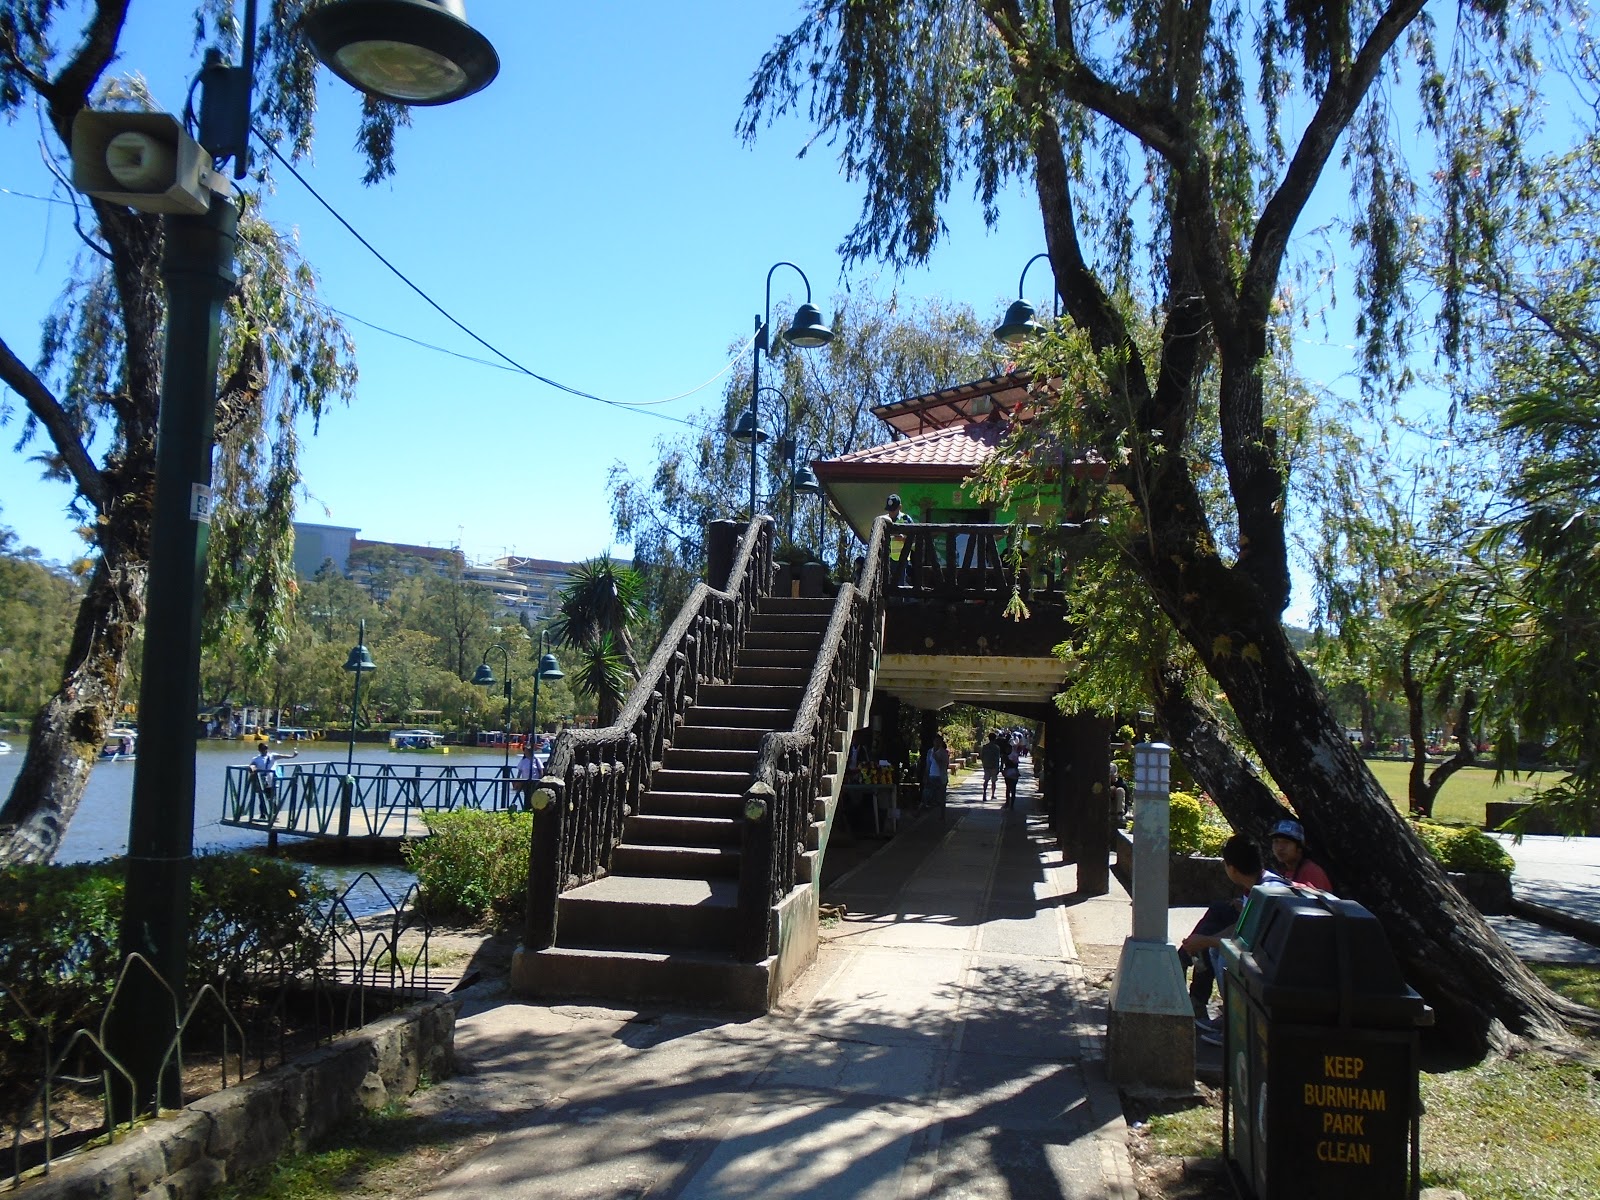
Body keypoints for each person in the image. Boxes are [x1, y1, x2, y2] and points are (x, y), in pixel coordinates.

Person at [1179, 833, 1284, 1043]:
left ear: (1232, 869)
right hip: (1266, 953)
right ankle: (1222, 1010)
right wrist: (1205, 940)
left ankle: (1233, 1025)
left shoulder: (1267, 891)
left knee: (1222, 953)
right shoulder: (1256, 887)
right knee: (1215, 937)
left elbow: (1245, 939)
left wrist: (1206, 941)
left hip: (1273, 963)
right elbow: (1241, 928)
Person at [1268, 818, 1334, 890]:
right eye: (1276, 841)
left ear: (1299, 848)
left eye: (1286, 842)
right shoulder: (1283, 871)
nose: (1280, 848)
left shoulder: (1311, 872)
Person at [248, 738, 298, 805]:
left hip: (272, 781)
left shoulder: (272, 756)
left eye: (266, 748)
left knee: (272, 798)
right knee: (262, 799)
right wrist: (251, 768)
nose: (265, 750)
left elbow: (283, 756)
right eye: (263, 748)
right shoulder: (256, 759)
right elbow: (252, 765)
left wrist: (293, 756)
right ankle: (263, 814)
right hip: (262, 781)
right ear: (259, 750)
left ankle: (273, 812)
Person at [885, 493, 915, 585]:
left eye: (893, 510)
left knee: (902, 585)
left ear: (900, 507)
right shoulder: (885, 520)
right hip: (888, 559)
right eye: (889, 510)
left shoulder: (906, 519)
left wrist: (903, 538)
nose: (891, 513)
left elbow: (914, 539)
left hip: (904, 559)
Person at [923, 734, 950, 809]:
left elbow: (945, 765)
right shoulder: (930, 752)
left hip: (941, 777)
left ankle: (942, 816)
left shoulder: (944, 752)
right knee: (927, 795)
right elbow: (928, 764)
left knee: (941, 797)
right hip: (931, 776)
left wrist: (937, 758)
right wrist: (926, 775)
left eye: (939, 741)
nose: (937, 743)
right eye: (935, 741)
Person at [978, 732, 1003, 802]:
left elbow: (982, 756)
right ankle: (992, 794)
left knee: (986, 780)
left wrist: (984, 763)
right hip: (994, 766)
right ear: (995, 739)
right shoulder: (997, 748)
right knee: (993, 781)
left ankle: (984, 793)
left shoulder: (985, 747)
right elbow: (998, 758)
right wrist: (999, 767)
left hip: (986, 765)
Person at [1001, 735, 1023, 808]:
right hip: (1014, 772)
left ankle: (1008, 802)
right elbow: (1016, 764)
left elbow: (1003, 764)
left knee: (1008, 788)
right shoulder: (1016, 754)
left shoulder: (1005, 756)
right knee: (1013, 789)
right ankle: (1011, 804)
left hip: (1008, 772)